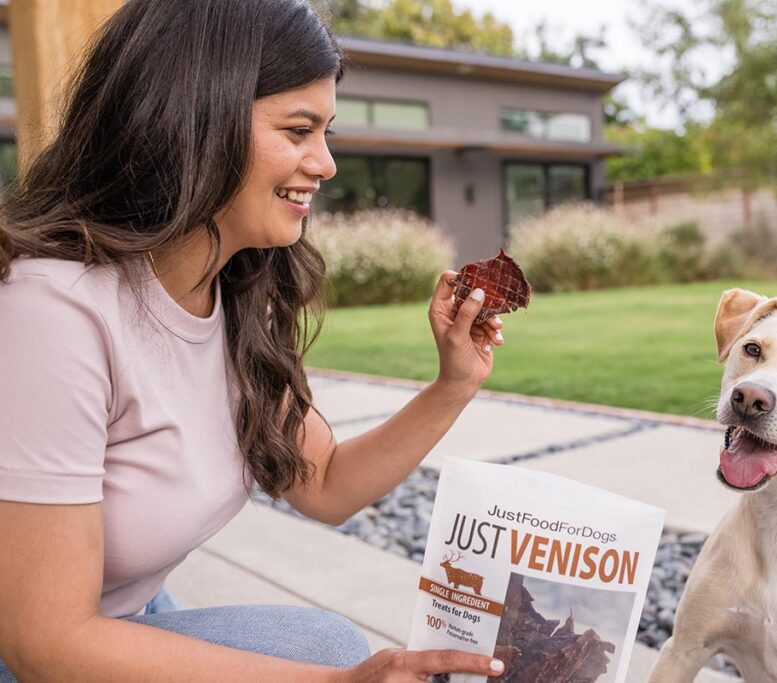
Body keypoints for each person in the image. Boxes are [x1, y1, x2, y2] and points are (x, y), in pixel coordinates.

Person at [0, 0, 507, 680]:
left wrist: (454, 384)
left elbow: (325, 482)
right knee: (324, 649)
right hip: (32, 649)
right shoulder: (51, 309)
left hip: (124, 614)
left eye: (325, 132)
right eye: (299, 130)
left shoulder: (232, 289)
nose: (325, 164)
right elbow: (43, 642)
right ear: (193, 119)